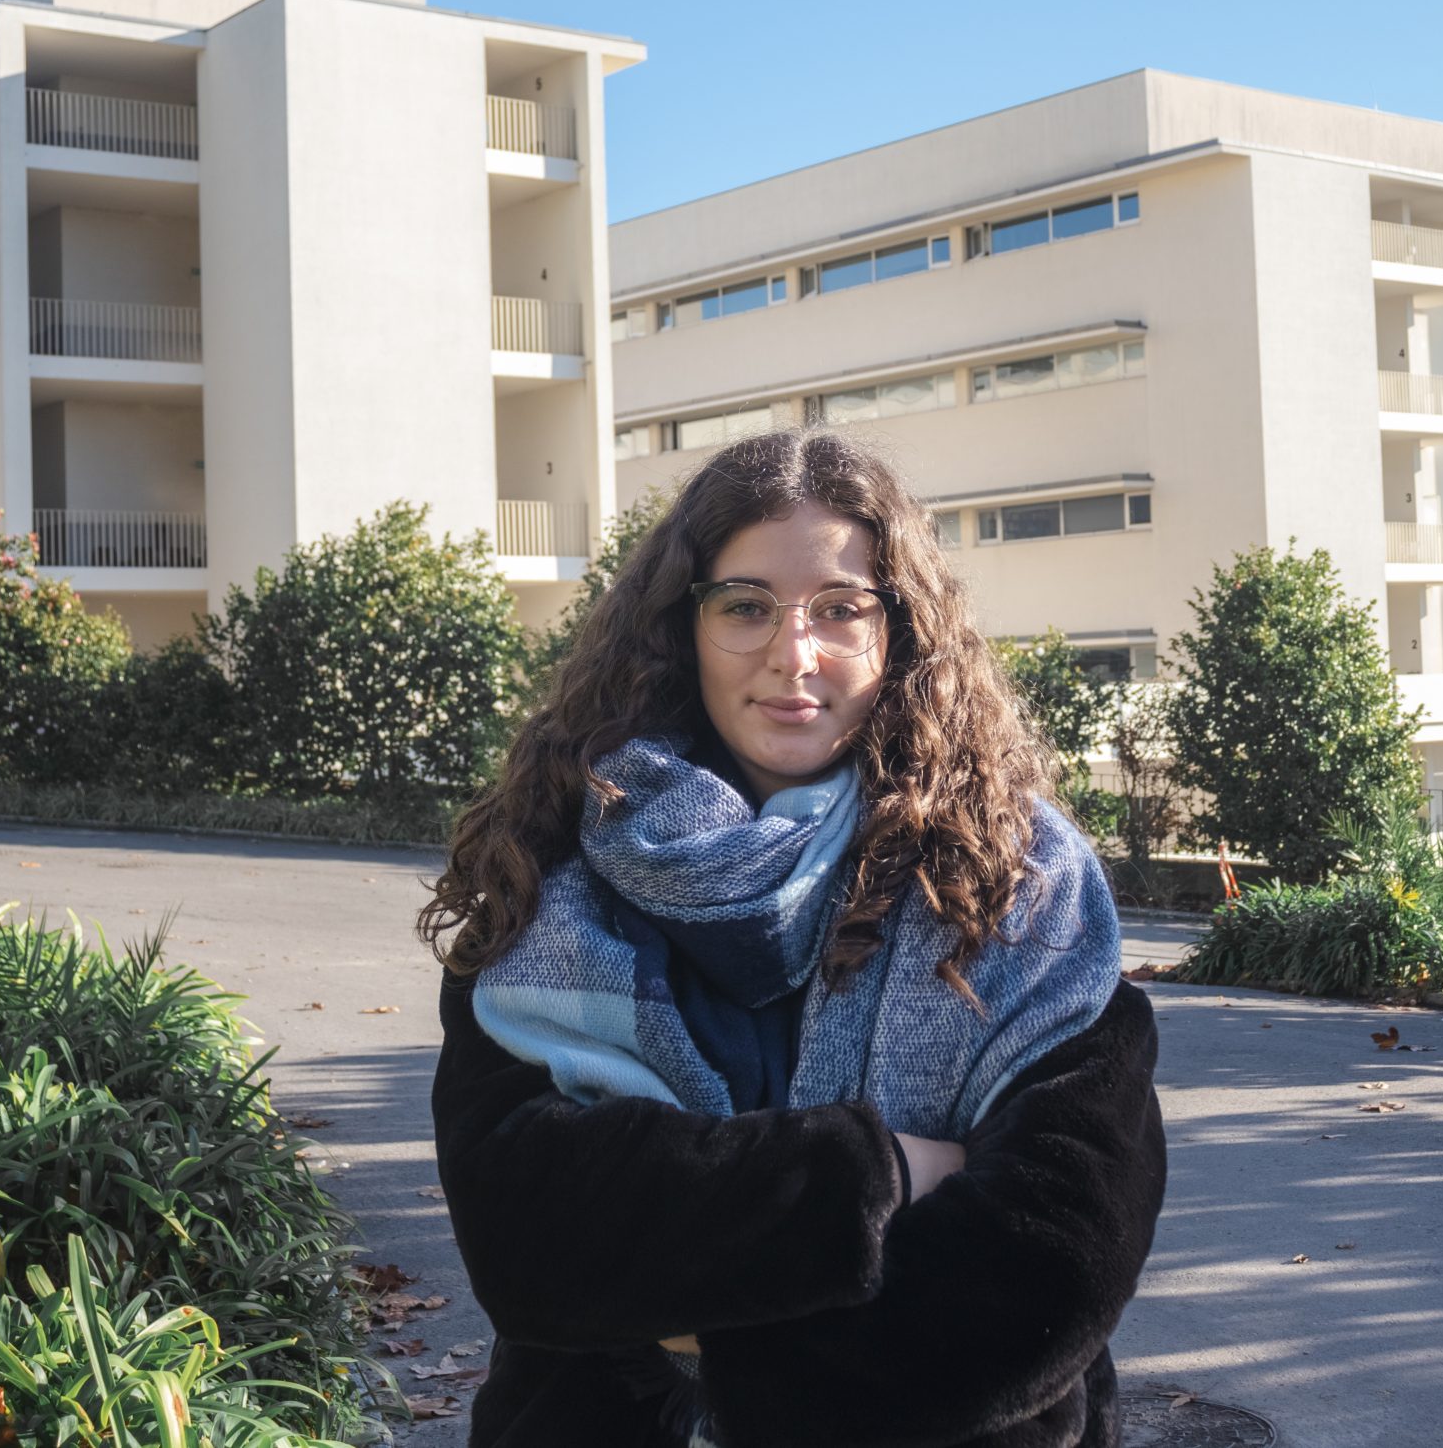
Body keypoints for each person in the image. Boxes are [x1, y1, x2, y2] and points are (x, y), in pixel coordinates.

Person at [421, 430, 1166, 1448]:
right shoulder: (548, 872)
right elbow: (531, 1239)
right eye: (745, 607)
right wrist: (888, 1172)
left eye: (839, 609)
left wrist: (698, 1334)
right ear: (680, 626)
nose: (793, 653)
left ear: (898, 630)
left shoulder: (1018, 884)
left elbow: (1048, 1266)